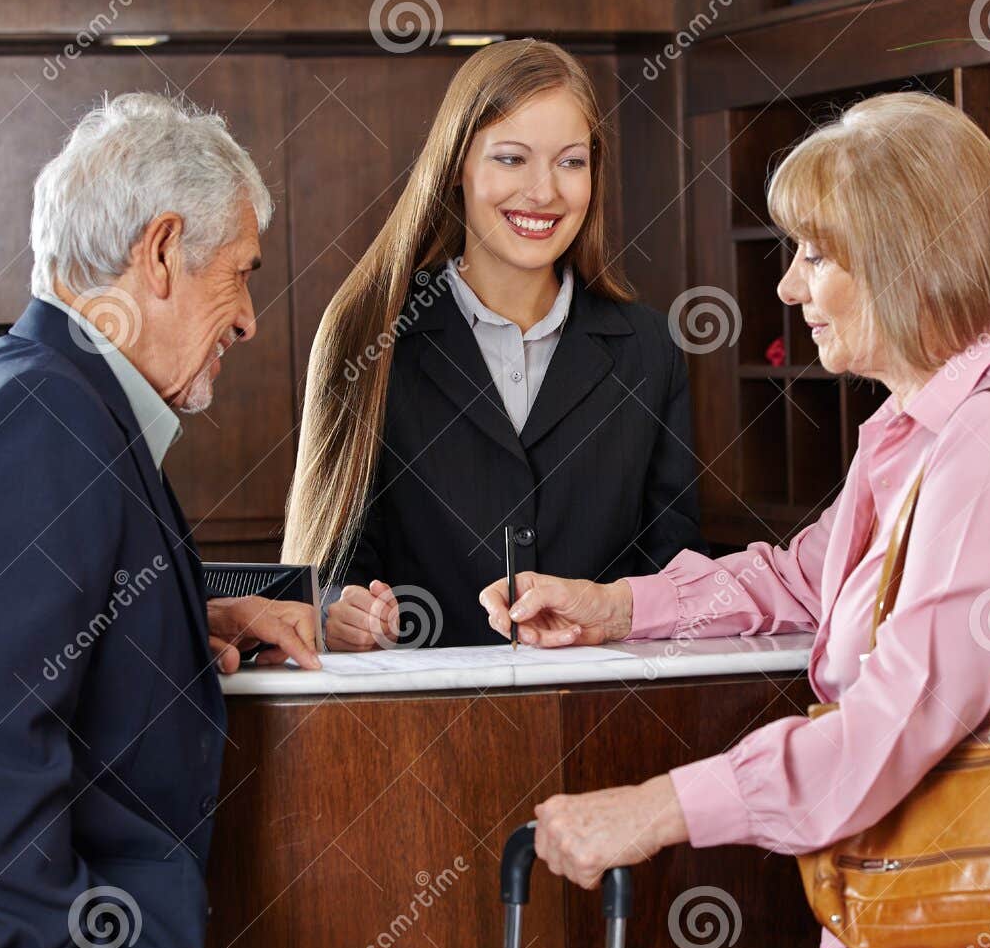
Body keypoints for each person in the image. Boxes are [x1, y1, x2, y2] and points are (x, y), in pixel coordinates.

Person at [479, 92, 990, 948]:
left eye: (816, 255)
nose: (789, 285)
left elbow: (903, 718)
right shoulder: (920, 429)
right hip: (951, 917)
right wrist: (611, 605)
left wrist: (654, 810)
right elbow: (808, 580)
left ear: (902, 260)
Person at [0, 92, 322, 948]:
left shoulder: (27, 386)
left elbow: (23, 654)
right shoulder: (43, 418)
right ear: (161, 251)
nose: (251, 318)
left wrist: (187, 624)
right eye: (243, 271)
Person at [283, 39, 703, 650]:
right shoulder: (372, 338)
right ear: (458, 167)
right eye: (511, 159)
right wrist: (334, 614)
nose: (543, 192)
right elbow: (330, 568)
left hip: (607, 719)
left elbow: (679, 573)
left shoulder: (648, 349)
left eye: (570, 161)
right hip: (420, 726)